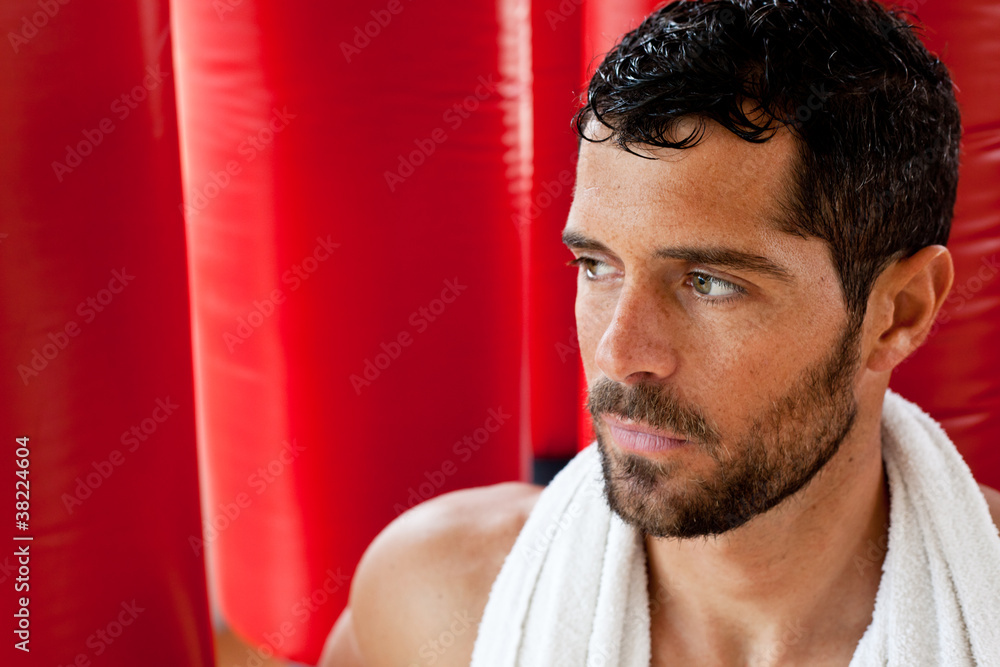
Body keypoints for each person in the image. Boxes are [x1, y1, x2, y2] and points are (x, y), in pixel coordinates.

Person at [321, 1, 1000, 664]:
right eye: (596, 265)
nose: (620, 354)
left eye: (709, 282)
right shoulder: (439, 602)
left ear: (901, 311)